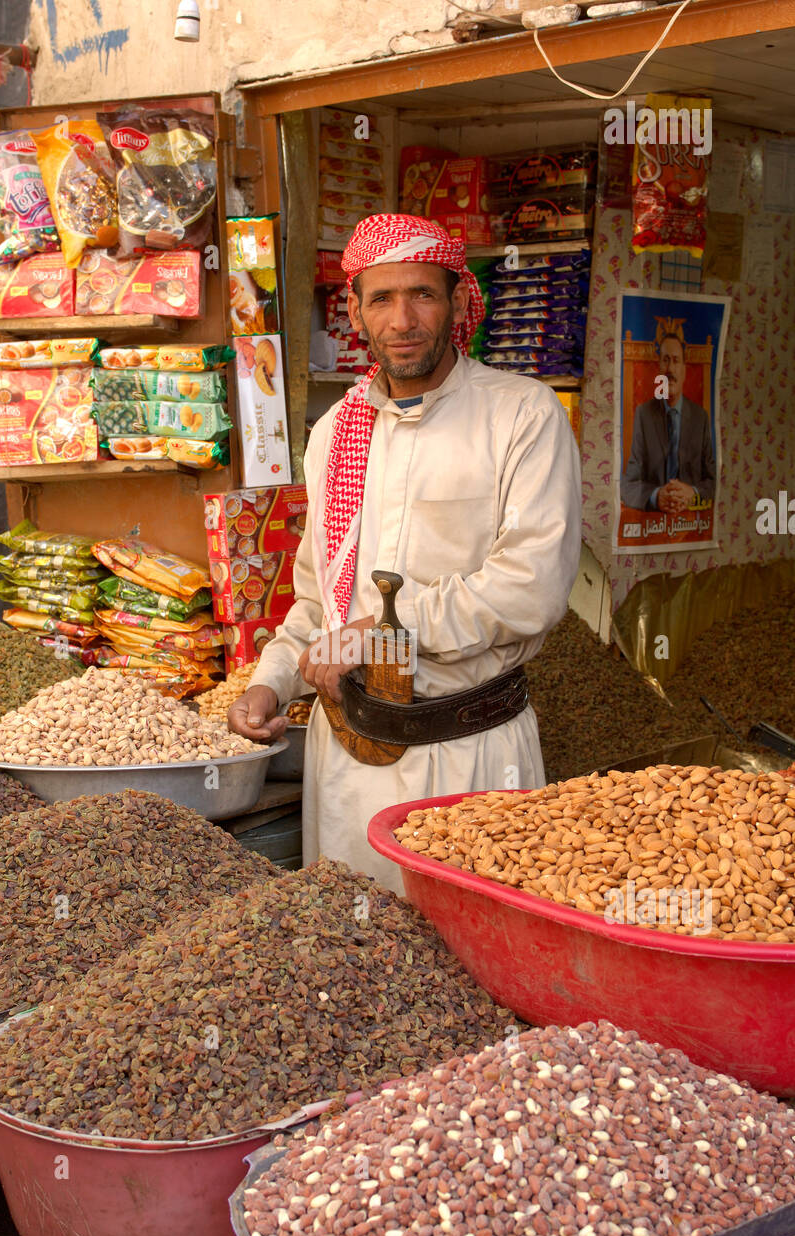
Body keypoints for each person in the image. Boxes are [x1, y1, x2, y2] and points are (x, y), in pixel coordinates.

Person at [228, 213, 581, 891]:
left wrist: (381, 634)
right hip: (347, 759)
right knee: (362, 962)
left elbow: (530, 587)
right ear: (355, 313)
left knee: (473, 967)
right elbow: (317, 600)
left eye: (422, 294)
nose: (403, 319)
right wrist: (270, 681)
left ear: (456, 303)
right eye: (382, 299)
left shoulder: (521, 415)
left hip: (469, 751)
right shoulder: (336, 431)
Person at [620, 332, 716, 513]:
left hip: (692, 523)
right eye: (665, 360)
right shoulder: (644, 414)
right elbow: (628, 485)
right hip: (654, 523)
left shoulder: (700, 417)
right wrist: (656, 496)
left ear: (684, 370)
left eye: (676, 360)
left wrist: (693, 493)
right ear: (659, 369)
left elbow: (714, 482)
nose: (670, 369)